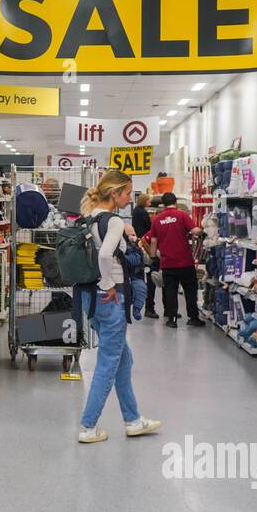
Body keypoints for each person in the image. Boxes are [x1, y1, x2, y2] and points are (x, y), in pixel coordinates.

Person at [77, 169, 162, 445]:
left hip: (91, 300)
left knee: (123, 360)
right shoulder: (112, 220)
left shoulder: (90, 216)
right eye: (127, 193)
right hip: (109, 299)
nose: (129, 197)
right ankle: (88, 426)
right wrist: (108, 284)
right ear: (114, 194)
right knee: (108, 363)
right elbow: (105, 254)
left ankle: (133, 419)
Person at [143, 192, 205, 328]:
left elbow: (153, 241)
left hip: (167, 263)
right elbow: (195, 231)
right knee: (190, 290)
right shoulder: (182, 215)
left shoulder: (157, 220)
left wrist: (153, 257)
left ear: (163, 204)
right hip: (185, 262)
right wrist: (203, 230)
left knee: (170, 290)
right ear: (175, 202)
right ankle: (193, 318)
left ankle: (172, 319)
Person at [126, 192, 158, 319]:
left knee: (138, 278)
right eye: (148, 200)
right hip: (145, 245)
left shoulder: (135, 211)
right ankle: (149, 308)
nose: (150, 201)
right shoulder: (142, 213)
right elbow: (149, 228)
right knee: (150, 280)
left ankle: (138, 307)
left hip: (138, 244)